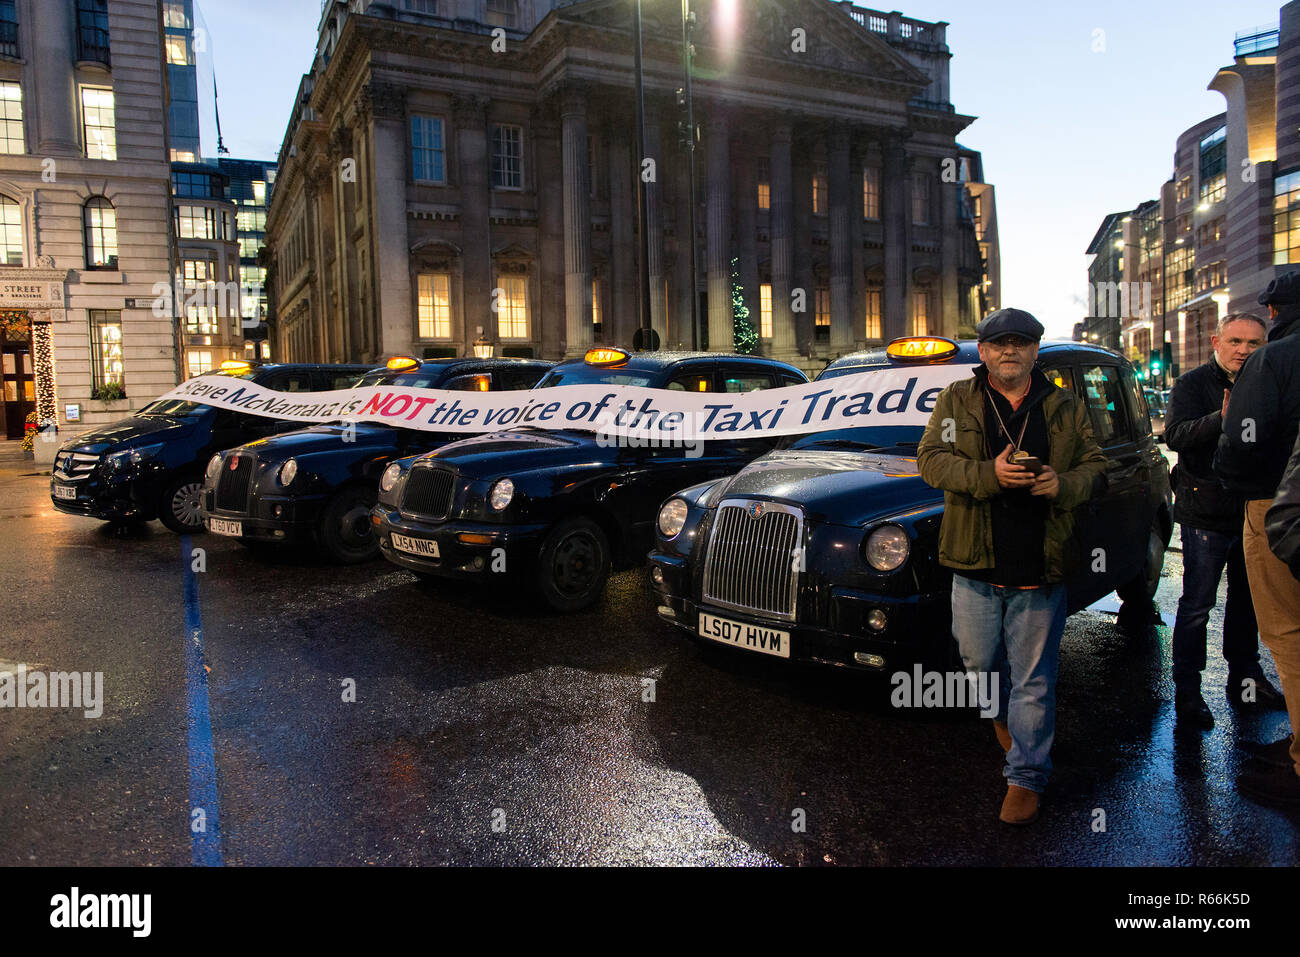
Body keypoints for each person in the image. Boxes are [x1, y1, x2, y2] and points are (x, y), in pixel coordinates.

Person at [917, 308, 1108, 825]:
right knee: (978, 667)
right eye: (999, 343)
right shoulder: (957, 399)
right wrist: (988, 473)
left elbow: (1096, 468)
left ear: (1034, 352)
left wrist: (1062, 484)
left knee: (1035, 680)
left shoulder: (1065, 404)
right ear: (983, 352)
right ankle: (1004, 719)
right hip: (974, 562)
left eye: (1020, 343)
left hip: (1040, 567)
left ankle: (1025, 776)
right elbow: (930, 460)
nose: (1009, 351)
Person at [1165, 313, 1283, 730]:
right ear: (1217, 341)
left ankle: (1246, 682)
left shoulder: (1270, 379)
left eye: (1253, 343)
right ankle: (1188, 692)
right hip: (1206, 514)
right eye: (1235, 341)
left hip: (1253, 510)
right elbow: (1175, 436)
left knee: (1248, 603)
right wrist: (1223, 417)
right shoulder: (1193, 384)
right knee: (1197, 605)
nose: (1243, 350)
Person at [1214, 272, 1300, 807]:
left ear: (1273, 313)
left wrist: (1235, 482)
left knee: (1289, 636)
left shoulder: (1273, 361)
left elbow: (1240, 442)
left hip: (1279, 509)